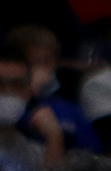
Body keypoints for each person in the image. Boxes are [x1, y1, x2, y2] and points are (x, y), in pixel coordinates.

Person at [9, 24, 100, 155]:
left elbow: (92, 151)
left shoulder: (69, 107)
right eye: (34, 61)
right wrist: (28, 91)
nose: (42, 68)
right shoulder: (10, 103)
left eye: (47, 60)